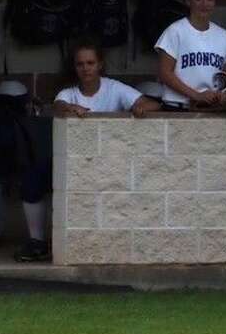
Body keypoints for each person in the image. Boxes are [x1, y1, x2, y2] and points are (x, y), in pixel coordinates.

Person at [15, 37, 159, 262]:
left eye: (90, 63)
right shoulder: (69, 93)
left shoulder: (115, 88)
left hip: (109, 163)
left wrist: (140, 107)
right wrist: (71, 107)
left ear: (100, 64)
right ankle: (37, 242)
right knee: (33, 180)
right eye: (80, 64)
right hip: (72, 163)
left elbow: (153, 104)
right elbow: (58, 106)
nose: (85, 68)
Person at [154, 0, 226, 111]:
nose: (204, 3)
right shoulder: (175, 31)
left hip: (210, 109)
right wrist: (196, 95)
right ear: (188, 1)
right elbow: (164, 73)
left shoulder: (224, 36)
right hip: (178, 107)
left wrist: (222, 94)